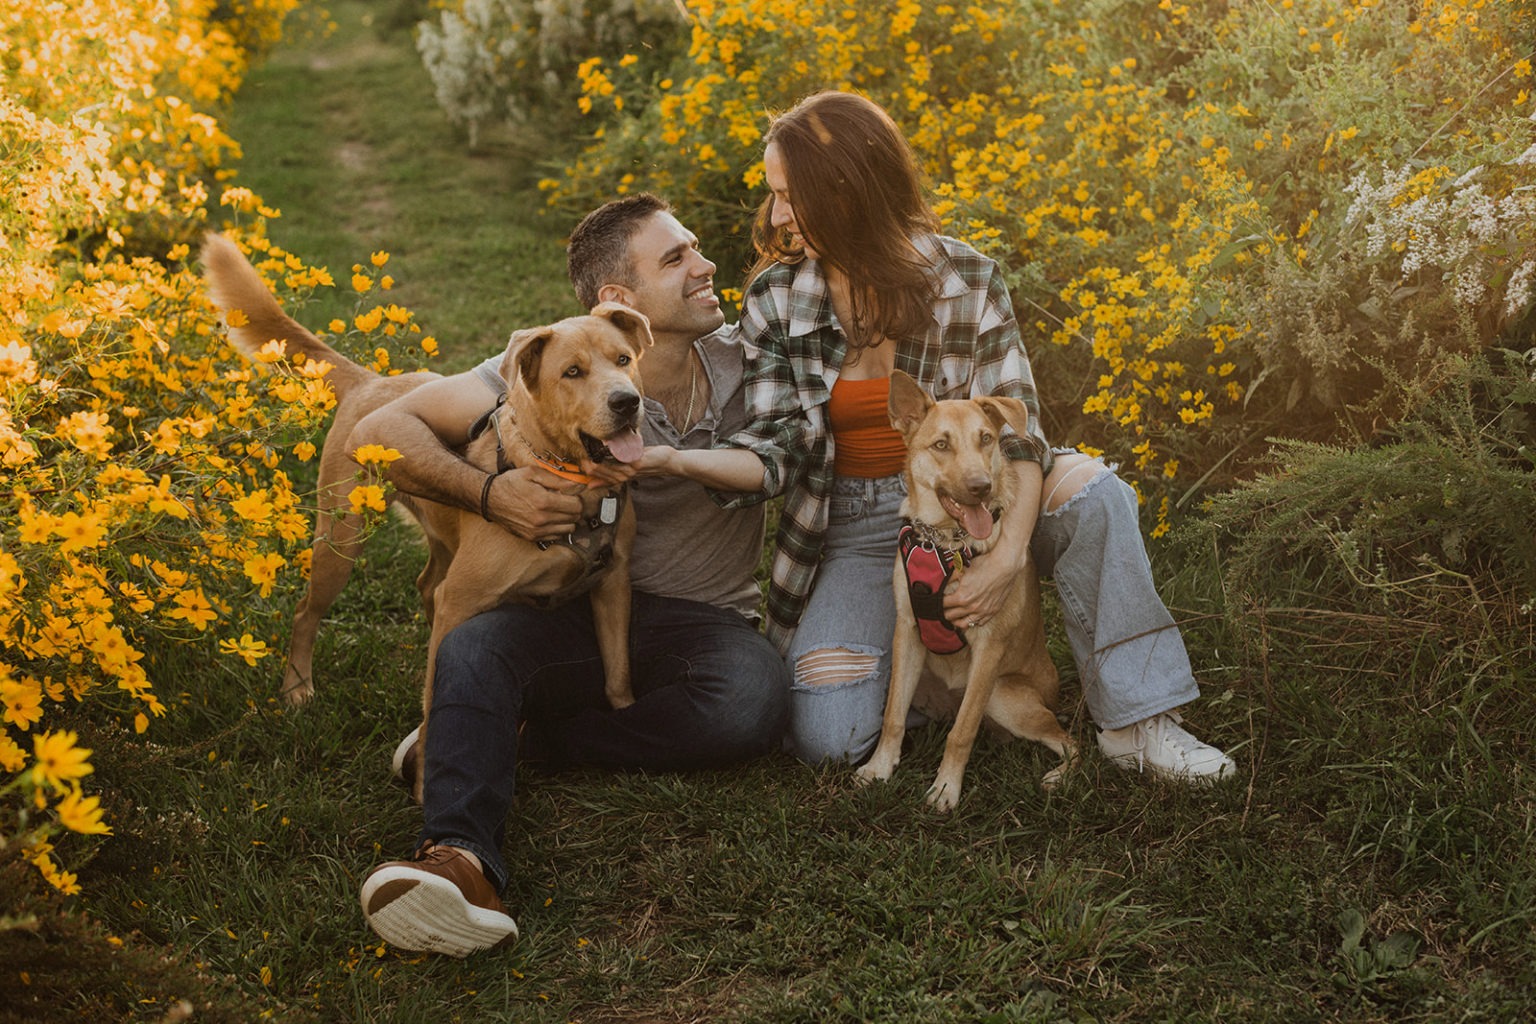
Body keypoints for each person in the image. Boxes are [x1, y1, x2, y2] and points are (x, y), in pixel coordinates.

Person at [639, 91, 1236, 783]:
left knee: (1097, 496)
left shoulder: (968, 277)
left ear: (849, 193)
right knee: (827, 738)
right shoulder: (777, 296)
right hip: (863, 522)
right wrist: (675, 460)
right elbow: (776, 451)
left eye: (788, 196)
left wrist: (1006, 556)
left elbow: (1022, 434)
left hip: (993, 492)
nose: (775, 216)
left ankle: (1137, 723)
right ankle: (940, 665)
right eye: (772, 196)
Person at [351, 194, 789, 958]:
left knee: (752, 697)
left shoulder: (755, 362)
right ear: (620, 303)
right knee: (475, 646)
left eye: (696, 248)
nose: (706, 265)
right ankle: (459, 858)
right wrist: (492, 494)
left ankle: (518, 738)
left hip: (700, 623)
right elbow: (376, 431)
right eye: (677, 258)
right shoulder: (546, 360)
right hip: (565, 609)